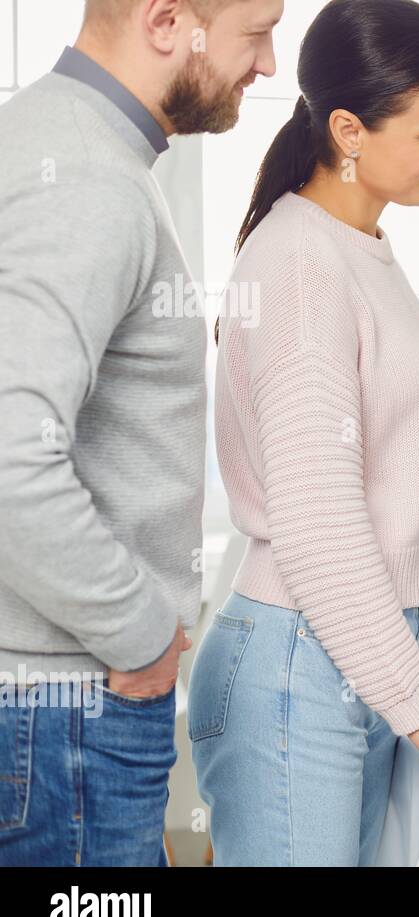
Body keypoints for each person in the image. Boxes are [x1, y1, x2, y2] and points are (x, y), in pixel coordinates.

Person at [190, 0, 419, 866]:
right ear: (349, 130)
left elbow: (389, 478)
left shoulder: (356, 247)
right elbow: (319, 527)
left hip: (347, 648)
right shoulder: (303, 267)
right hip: (300, 663)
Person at [0, 0, 285, 866]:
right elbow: (10, 451)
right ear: (168, 22)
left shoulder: (47, 138)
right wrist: (142, 635)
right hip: (67, 705)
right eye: (258, 31)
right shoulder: (88, 179)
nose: (269, 65)